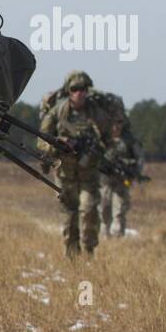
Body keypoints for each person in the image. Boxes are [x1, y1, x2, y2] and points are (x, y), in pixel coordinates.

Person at [38, 70, 119, 258]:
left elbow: (110, 141)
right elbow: (41, 139)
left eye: (83, 89)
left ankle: (89, 252)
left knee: (88, 211)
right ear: (69, 91)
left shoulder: (97, 115)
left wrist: (99, 153)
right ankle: (72, 257)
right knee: (69, 217)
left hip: (88, 175)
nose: (79, 93)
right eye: (75, 89)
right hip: (65, 175)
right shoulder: (58, 112)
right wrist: (58, 145)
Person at [99, 118, 145, 238]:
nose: (116, 126)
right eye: (114, 123)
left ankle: (118, 236)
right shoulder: (102, 140)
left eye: (119, 123)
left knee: (119, 210)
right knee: (104, 208)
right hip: (105, 180)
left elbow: (139, 159)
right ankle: (105, 235)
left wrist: (134, 172)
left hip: (122, 180)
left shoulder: (129, 141)